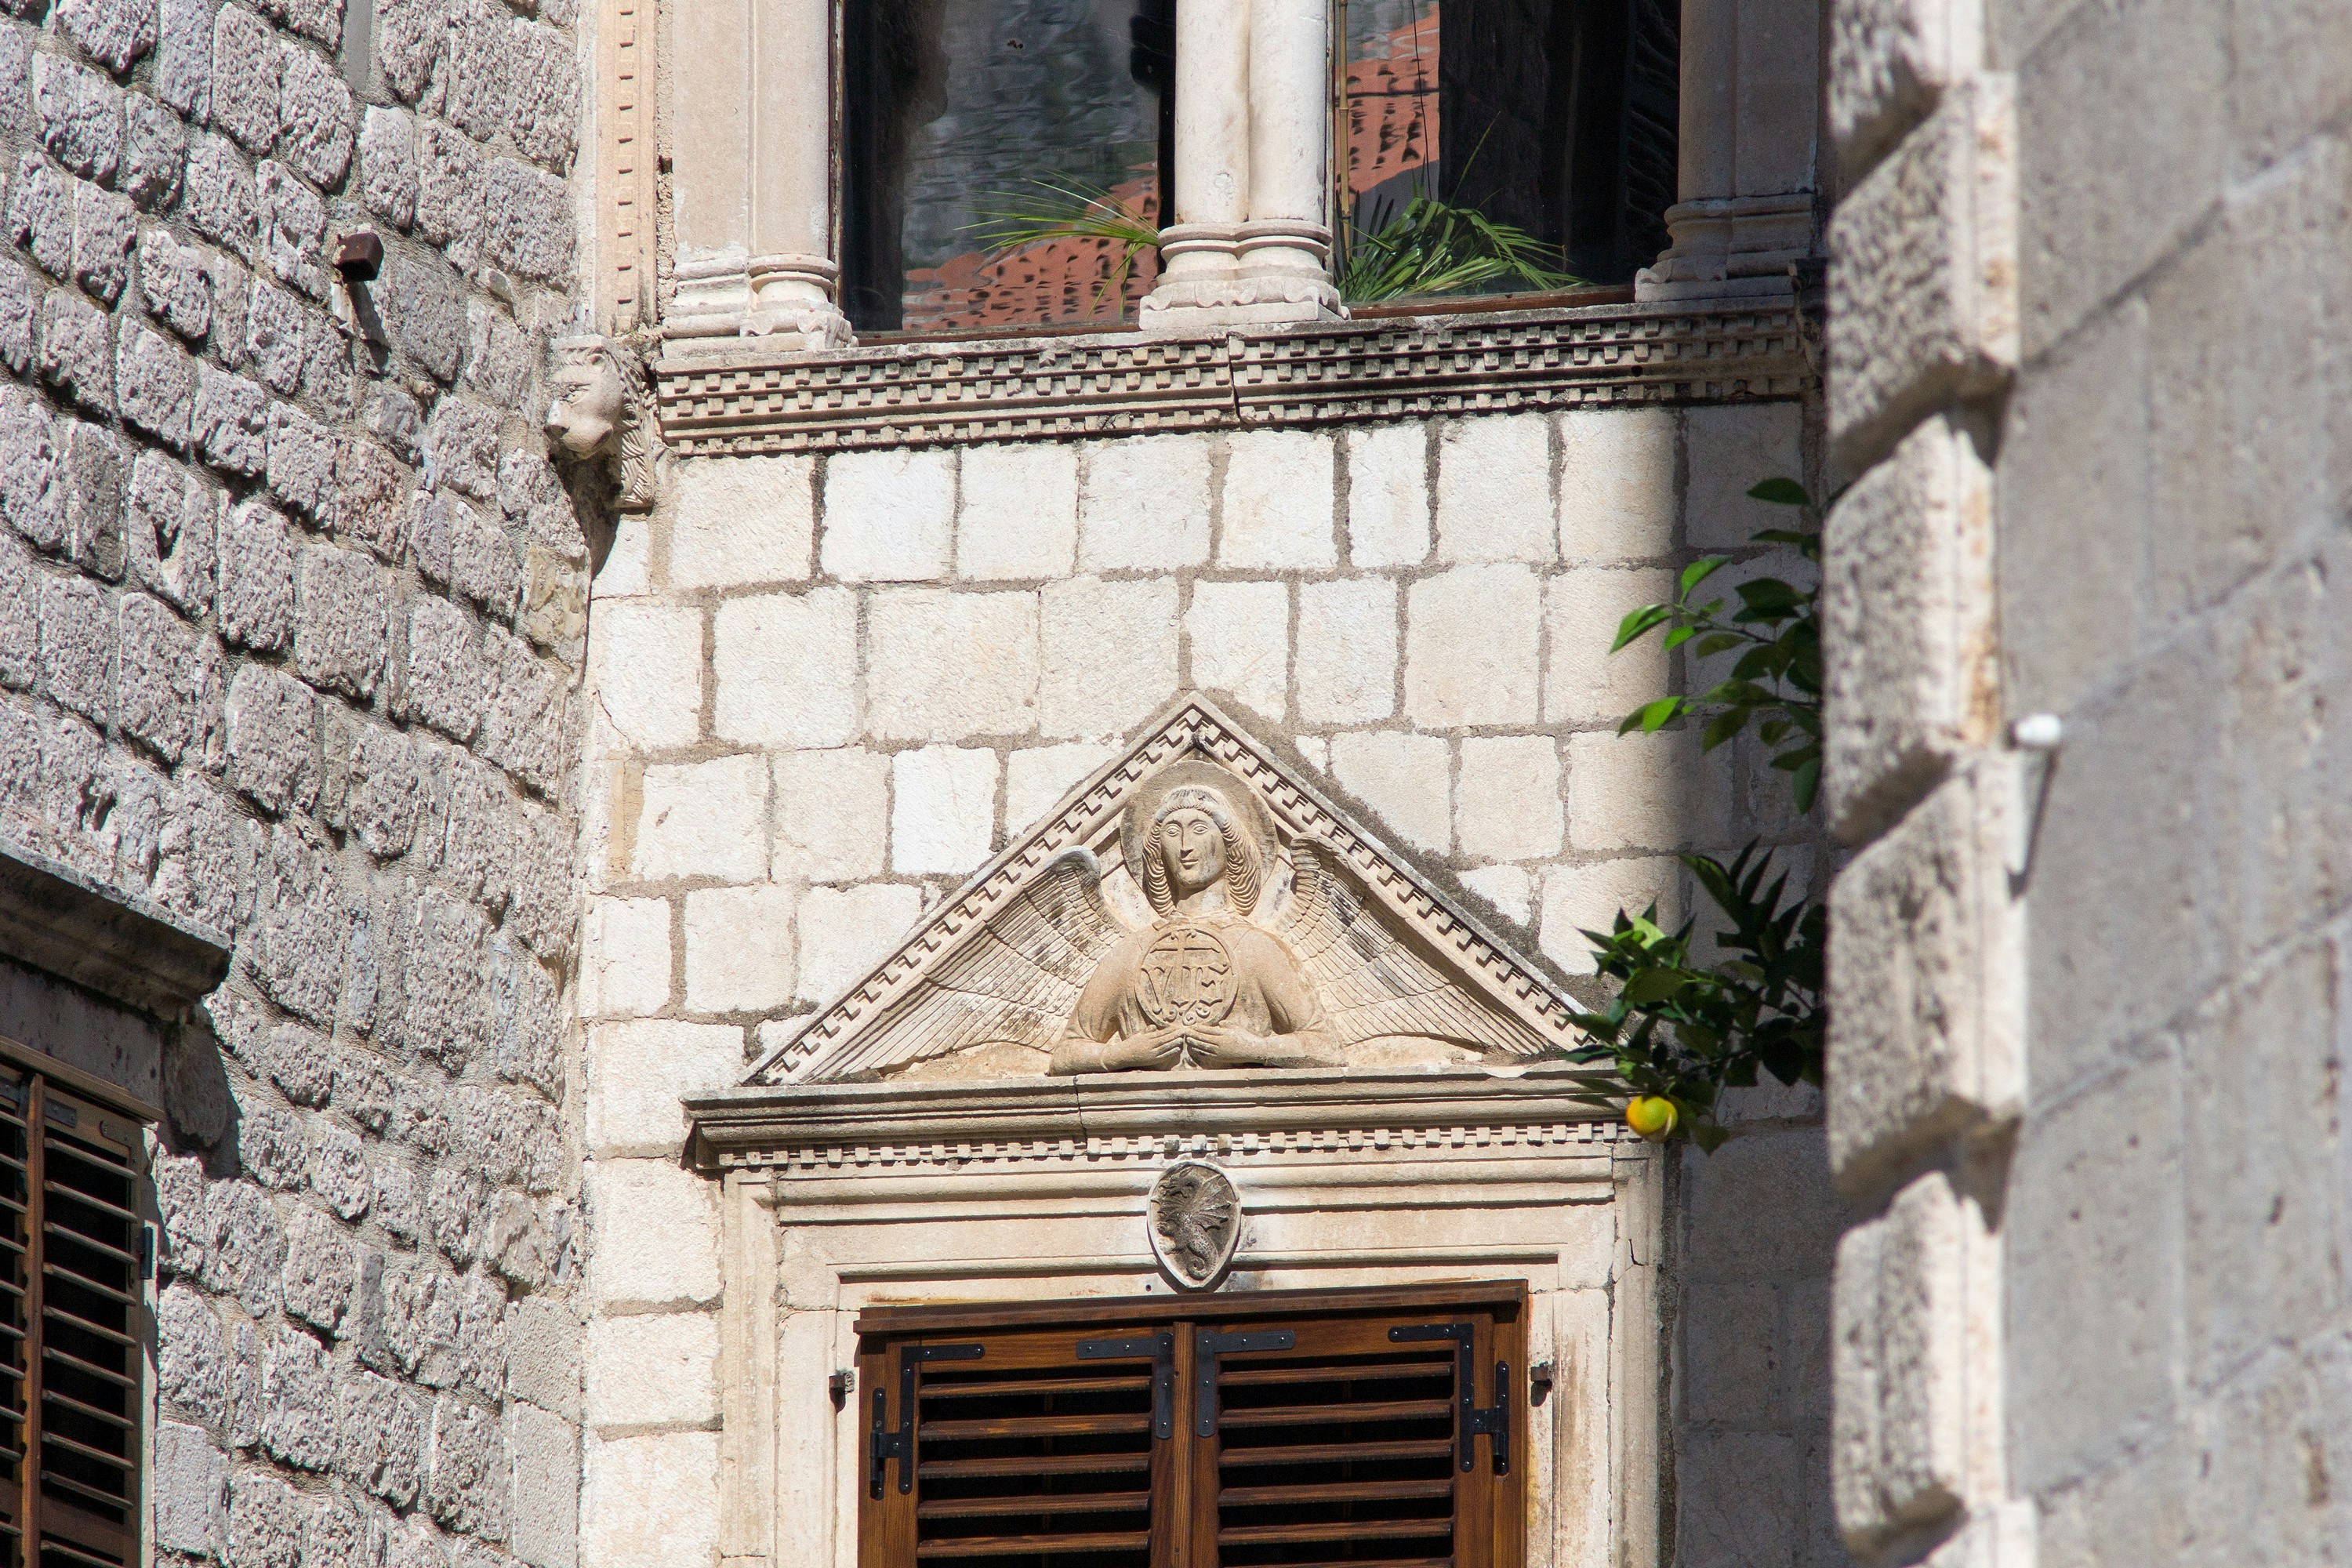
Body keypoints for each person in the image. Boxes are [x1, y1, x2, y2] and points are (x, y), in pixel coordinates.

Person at [1049, 771, 1340, 1074]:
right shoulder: (1134, 950)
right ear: (1157, 851)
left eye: (1199, 829)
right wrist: (1123, 1054)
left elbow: (1324, 1047)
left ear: (1232, 845)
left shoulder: (1255, 948)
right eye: (1172, 832)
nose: (1185, 846)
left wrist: (1256, 1048)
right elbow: (1067, 1053)